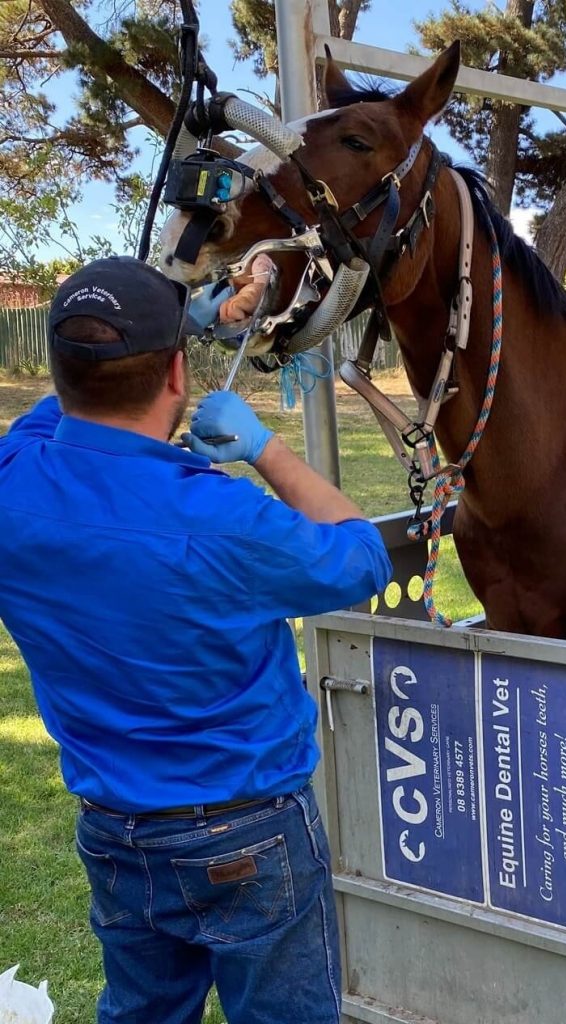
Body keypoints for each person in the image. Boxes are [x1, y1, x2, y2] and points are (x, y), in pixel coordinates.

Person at [0, 256, 392, 1024]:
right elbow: (361, 557)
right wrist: (263, 449)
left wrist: (191, 325)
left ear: (59, 366)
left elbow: (60, 413)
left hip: (116, 834)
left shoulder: (13, 477)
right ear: (179, 375)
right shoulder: (222, 519)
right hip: (252, 833)